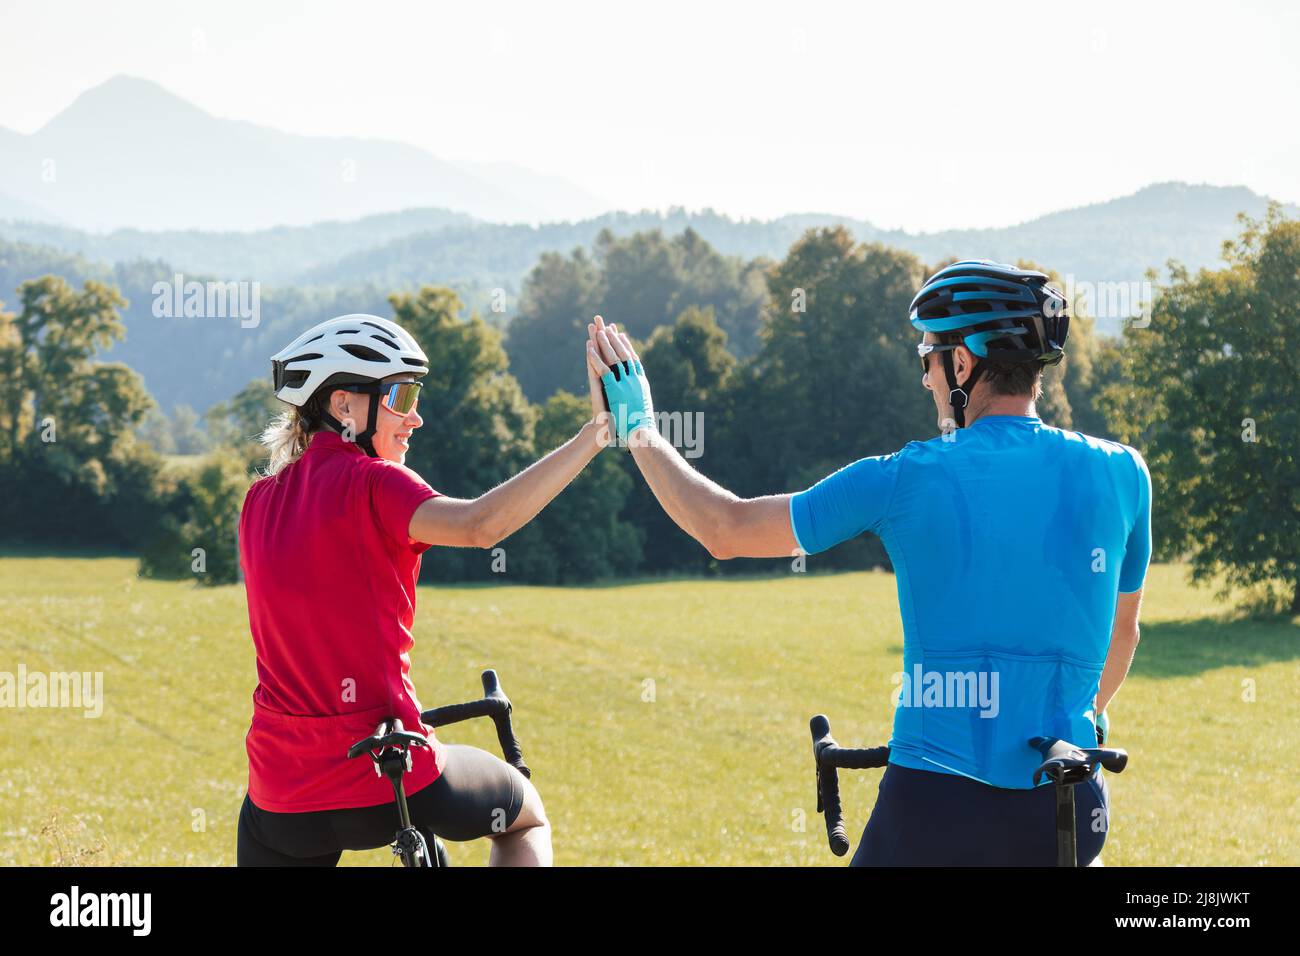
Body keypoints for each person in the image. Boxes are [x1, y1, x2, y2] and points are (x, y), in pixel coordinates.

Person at [586, 261, 1151, 866]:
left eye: (927, 359)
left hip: (939, 807)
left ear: (962, 364)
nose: (927, 379)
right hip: (1068, 807)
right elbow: (1124, 634)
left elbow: (725, 528)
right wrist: (1087, 717)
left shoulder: (905, 478)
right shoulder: (1124, 472)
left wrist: (640, 428)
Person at [237, 313, 608, 866]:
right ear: (345, 406)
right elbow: (480, 525)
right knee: (525, 813)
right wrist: (593, 434)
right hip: (387, 776)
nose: (416, 417)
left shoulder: (258, 502)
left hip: (281, 796)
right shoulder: (375, 483)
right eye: (400, 395)